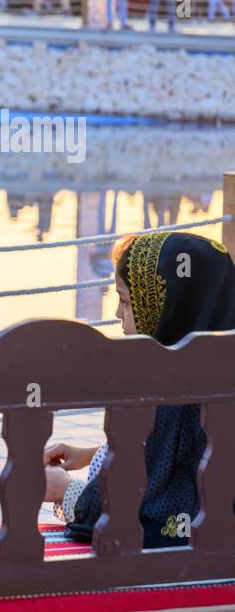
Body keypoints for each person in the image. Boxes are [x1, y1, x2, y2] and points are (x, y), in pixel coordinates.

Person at [45, 232, 235, 544]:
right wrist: (91, 454)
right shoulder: (217, 367)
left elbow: (145, 514)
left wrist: (64, 490)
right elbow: (190, 450)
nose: (117, 314)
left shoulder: (170, 386)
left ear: (165, 306)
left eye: (125, 302)